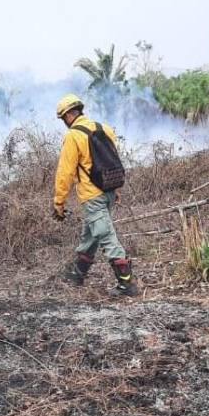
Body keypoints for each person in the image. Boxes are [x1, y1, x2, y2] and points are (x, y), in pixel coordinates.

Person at [52, 94, 139, 297]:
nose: (65, 122)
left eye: (63, 118)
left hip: (92, 196)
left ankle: (126, 283)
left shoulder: (73, 135)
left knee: (106, 236)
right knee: (90, 234)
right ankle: (78, 274)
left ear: (68, 115)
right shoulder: (104, 128)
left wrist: (59, 202)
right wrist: (116, 189)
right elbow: (113, 162)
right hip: (108, 191)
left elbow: (65, 173)